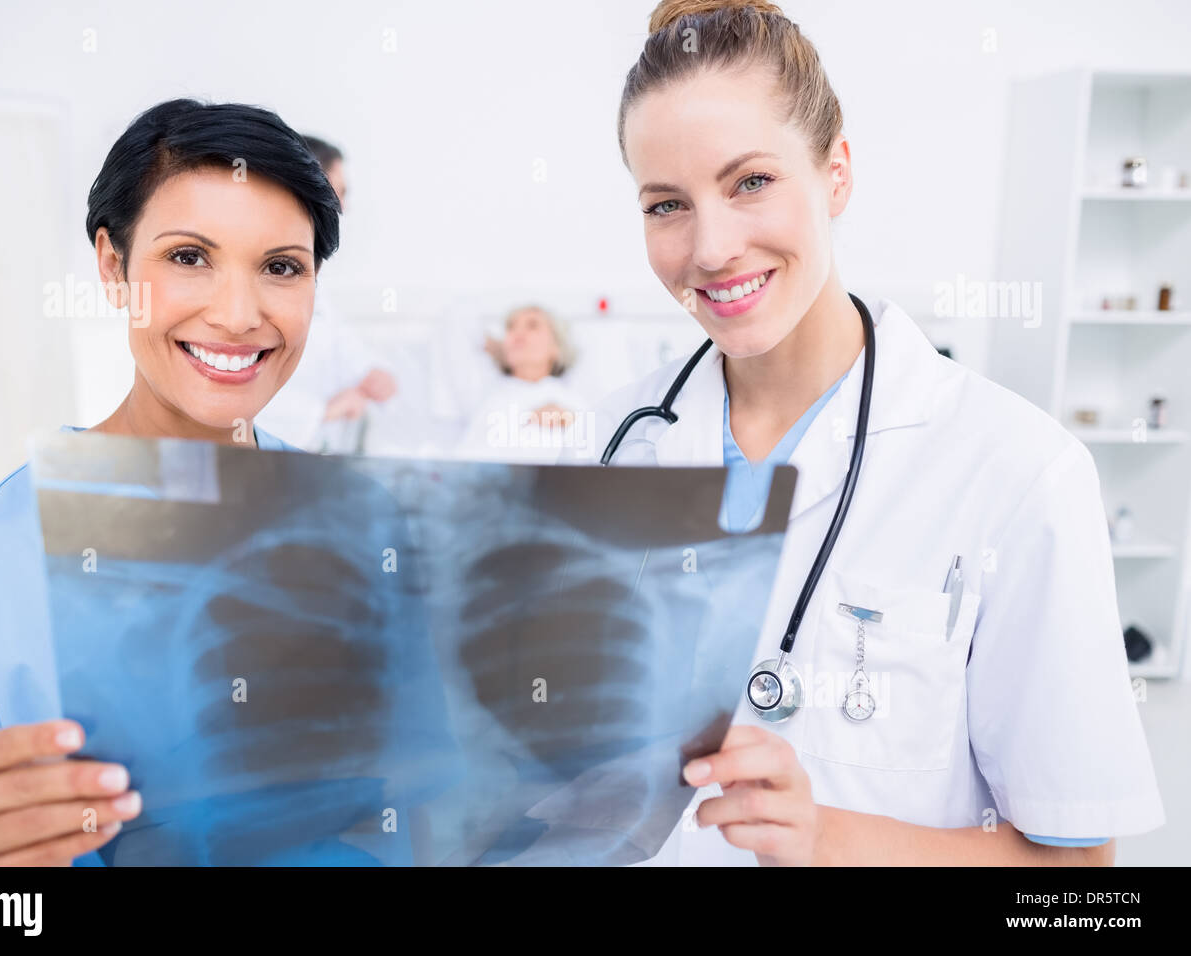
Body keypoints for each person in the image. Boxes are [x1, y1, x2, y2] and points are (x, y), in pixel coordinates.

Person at [579, 0, 1163, 865]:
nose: (711, 248)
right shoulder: (603, 446)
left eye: (751, 182)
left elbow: (1078, 887)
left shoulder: (1018, 471)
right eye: (667, 205)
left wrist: (827, 838)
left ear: (837, 172)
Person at [0, 98, 341, 866]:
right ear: (112, 267)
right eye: (189, 257)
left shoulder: (362, 530)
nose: (238, 315)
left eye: (280, 268)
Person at [255, 136, 397, 451]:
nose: (343, 207)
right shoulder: (257, 272)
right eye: (338, 192)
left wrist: (372, 372)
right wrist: (322, 412)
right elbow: (238, 377)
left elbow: (340, 342)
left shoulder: (312, 277)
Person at [454, 305, 587, 463]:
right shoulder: (484, 394)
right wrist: (499, 349)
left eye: (532, 325)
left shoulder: (571, 402)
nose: (518, 333)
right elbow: (456, 317)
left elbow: (599, 449)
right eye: (511, 327)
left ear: (556, 347)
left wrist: (573, 421)